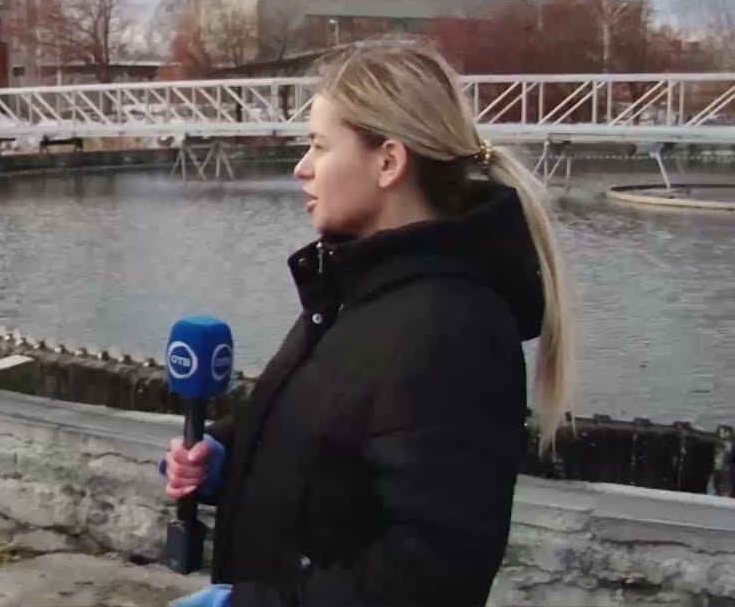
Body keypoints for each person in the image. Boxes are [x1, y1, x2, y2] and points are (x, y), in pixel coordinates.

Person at [165, 39, 573, 607]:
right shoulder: (352, 291)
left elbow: (432, 574)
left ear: (388, 163)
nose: (301, 168)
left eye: (319, 145)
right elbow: (336, 453)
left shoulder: (455, 333)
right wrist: (231, 457)